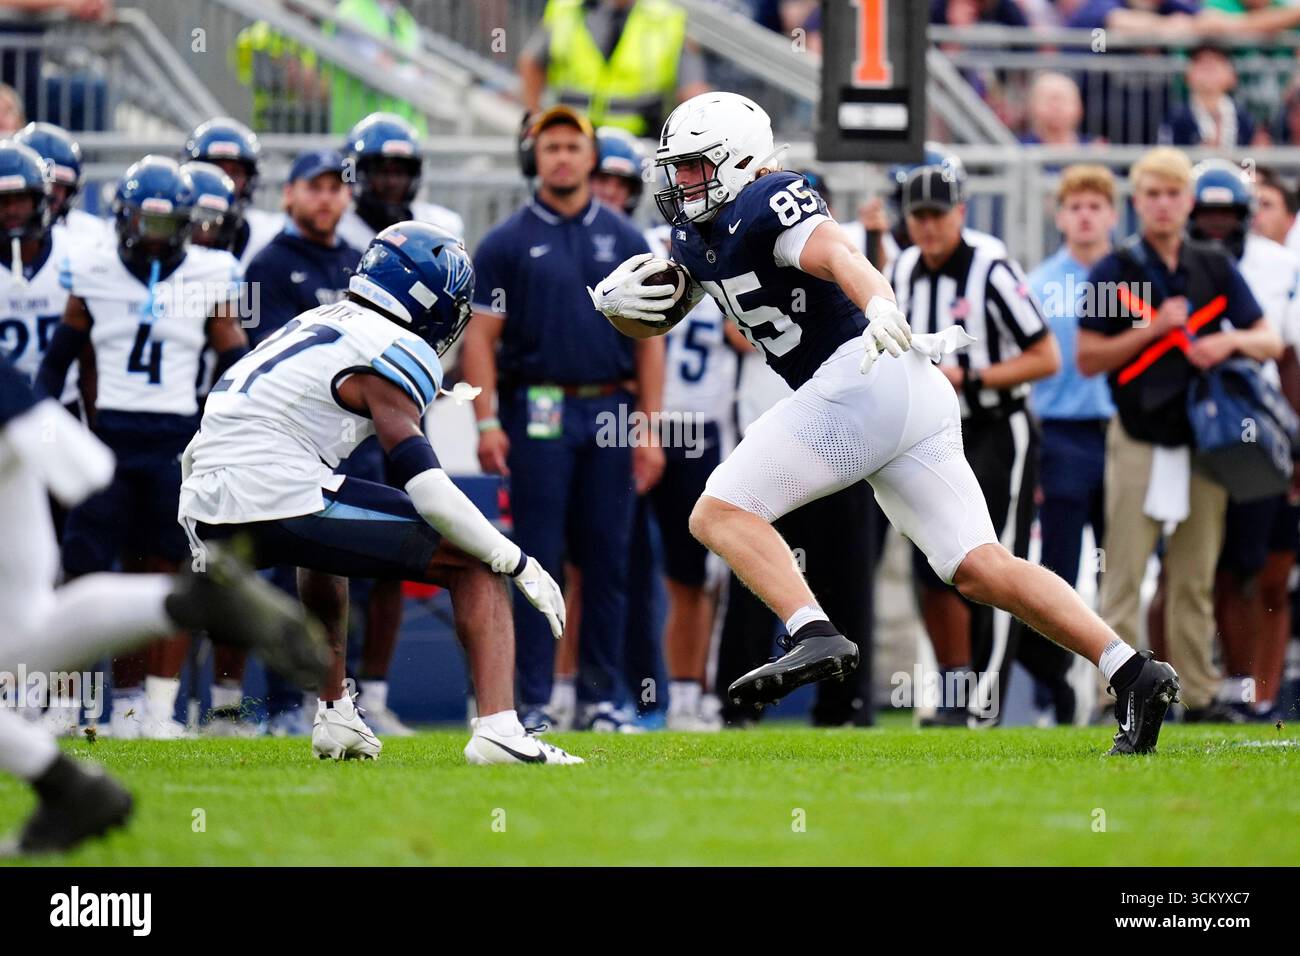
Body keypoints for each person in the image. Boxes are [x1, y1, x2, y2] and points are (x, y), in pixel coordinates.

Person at [591, 90, 1182, 755]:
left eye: (697, 166)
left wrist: (878, 304)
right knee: (979, 567)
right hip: (909, 394)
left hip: (861, 371)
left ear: (738, 161)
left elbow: (841, 254)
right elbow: (697, 281)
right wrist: (630, 303)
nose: (682, 183)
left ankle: (812, 632)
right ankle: (1132, 670)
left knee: (717, 514)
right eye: (679, 168)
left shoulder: (771, 197)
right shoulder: (697, 234)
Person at [178, 221, 581, 765]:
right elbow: (431, 492)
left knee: (321, 552)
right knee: (474, 560)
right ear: (430, 297)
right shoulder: (395, 347)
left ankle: (336, 714)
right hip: (270, 484)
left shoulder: (319, 319)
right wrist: (516, 560)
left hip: (205, 496)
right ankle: (500, 732)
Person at [0, 352, 326, 855]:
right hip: (21, 414)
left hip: (52, 419)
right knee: (20, 635)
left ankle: (67, 784)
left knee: (18, 640)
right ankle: (183, 604)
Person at [461, 105, 663, 732]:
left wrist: (650, 427)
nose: (562, 157)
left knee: (607, 557)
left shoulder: (628, 240)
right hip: (539, 407)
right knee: (536, 557)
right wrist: (487, 423)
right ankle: (533, 701)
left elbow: (650, 339)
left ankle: (600, 698)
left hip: (608, 405)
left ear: (591, 156)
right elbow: (480, 341)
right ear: (535, 156)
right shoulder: (505, 241)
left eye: (573, 146)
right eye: (550, 147)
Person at [35, 156, 250, 739]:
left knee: (166, 574)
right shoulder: (93, 269)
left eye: (166, 225)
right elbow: (57, 364)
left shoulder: (212, 273)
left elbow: (233, 358)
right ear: (123, 219)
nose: (154, 239)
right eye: (145, 223)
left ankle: (150, 709)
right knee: (81, 571)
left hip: (175, 441)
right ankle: (66, 703)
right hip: (107, 439)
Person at [1076, 147, 1280, 724]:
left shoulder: (1212, 263)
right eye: (1152, 195)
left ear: (1187, 203)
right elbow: (1089, 358)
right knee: (1123, 572)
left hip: (1202, 439)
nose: (1163, 206)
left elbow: (1266, 338)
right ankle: (1114, 693)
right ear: (1138, 203)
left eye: (1172, 195)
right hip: (1138, 432)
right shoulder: (1114, 269)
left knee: (1195, 574)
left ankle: (1199, 692)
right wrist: (1152, 331)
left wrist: (1226, 342)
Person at [890, 164, 1067, 726]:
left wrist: (973, 378)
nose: (929, 228)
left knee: (993, 564)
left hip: (997, 429)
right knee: (934, 567)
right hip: (931, 435)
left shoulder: (989, 266)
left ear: (960, 214)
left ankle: (982, 710)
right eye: (918, 217)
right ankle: (960, 689)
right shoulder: (903, 268)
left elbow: (1045, 357)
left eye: (938, 215)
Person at [203, 149, 363, 736]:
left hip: (349, 437)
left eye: (334, 187)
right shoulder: (270, 263)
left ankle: (337, 702)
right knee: (275, 578)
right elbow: (270, 358)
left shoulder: (356, 262)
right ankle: (266, 709)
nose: (326, 197)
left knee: (344, 576)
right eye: (312, 187)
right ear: (288, 196)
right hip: (286, 442)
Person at [1187, 158, 1300, 721]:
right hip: (1189, 430)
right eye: (1204, 215)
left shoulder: (1279, 266)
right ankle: (1202, 684)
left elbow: (1287, 351)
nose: (1214, 226)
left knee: (1259, 565)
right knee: (1193, 565)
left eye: (1224, 215)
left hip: (1258, 429)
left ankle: (1255, 689)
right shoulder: (1171, 261)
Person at [1028, 165, 1117, 600]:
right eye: (1075, 207)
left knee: (1121, 564)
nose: (1085, 216)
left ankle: (1121, 666)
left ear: (1113, 215)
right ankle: (1051, 668)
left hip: (1123, 434)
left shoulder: (1133, 278)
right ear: (1059, 217)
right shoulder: (1038, 285)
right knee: (1057, 565)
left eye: (1095, 206)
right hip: (1061, 435)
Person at [518, 0, 709, 138]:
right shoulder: (565, 9)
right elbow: (532, 62)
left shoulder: (668, 18)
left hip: (639, 139)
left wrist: (704, 126)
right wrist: (534, 115)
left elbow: (693, 88)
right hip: (573, 134)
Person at [336, 112, 462, 250]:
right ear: (356, 173)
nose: (392, 182)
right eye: (382, 172)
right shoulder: (338, 231)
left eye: (400, 173)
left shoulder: (440, 226)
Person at [182, 117, 284, 267]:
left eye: (235, 172)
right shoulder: (170, 228)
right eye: (214, 170)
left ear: (249, 180)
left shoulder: (267, 235)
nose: (223, 180)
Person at [326, 0, 425, 135]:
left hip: (404, 134)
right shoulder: (352, 11)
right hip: (361, 136)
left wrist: (394, 67)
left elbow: (421, 70)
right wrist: (409, 74)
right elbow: (380, 73)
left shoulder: (403, 18)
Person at [14, 122, 109, 246]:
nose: (49, 194)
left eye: (58, 185)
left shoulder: (95, 235)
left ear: (70, 190)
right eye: (42, 186)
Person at [1163, 43, 1261, 149]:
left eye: (1217, 62)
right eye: (1200, 63)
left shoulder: (1244, 117)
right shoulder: (1177, 117)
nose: (1208, 69)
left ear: (1232, 76)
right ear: (1188, 76)